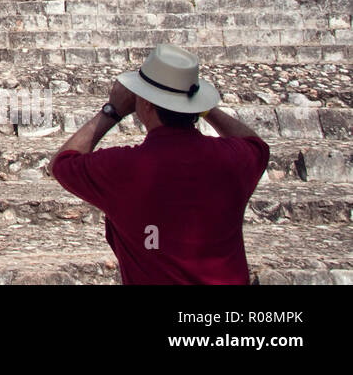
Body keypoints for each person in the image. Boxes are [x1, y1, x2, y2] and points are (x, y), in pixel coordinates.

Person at [50, 43, 270, 284]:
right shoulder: (235, 159)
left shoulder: (124, 168)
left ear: (146, 104)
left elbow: (63, 163)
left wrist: (111, 111)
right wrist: (204, 109)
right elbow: (256, 145)